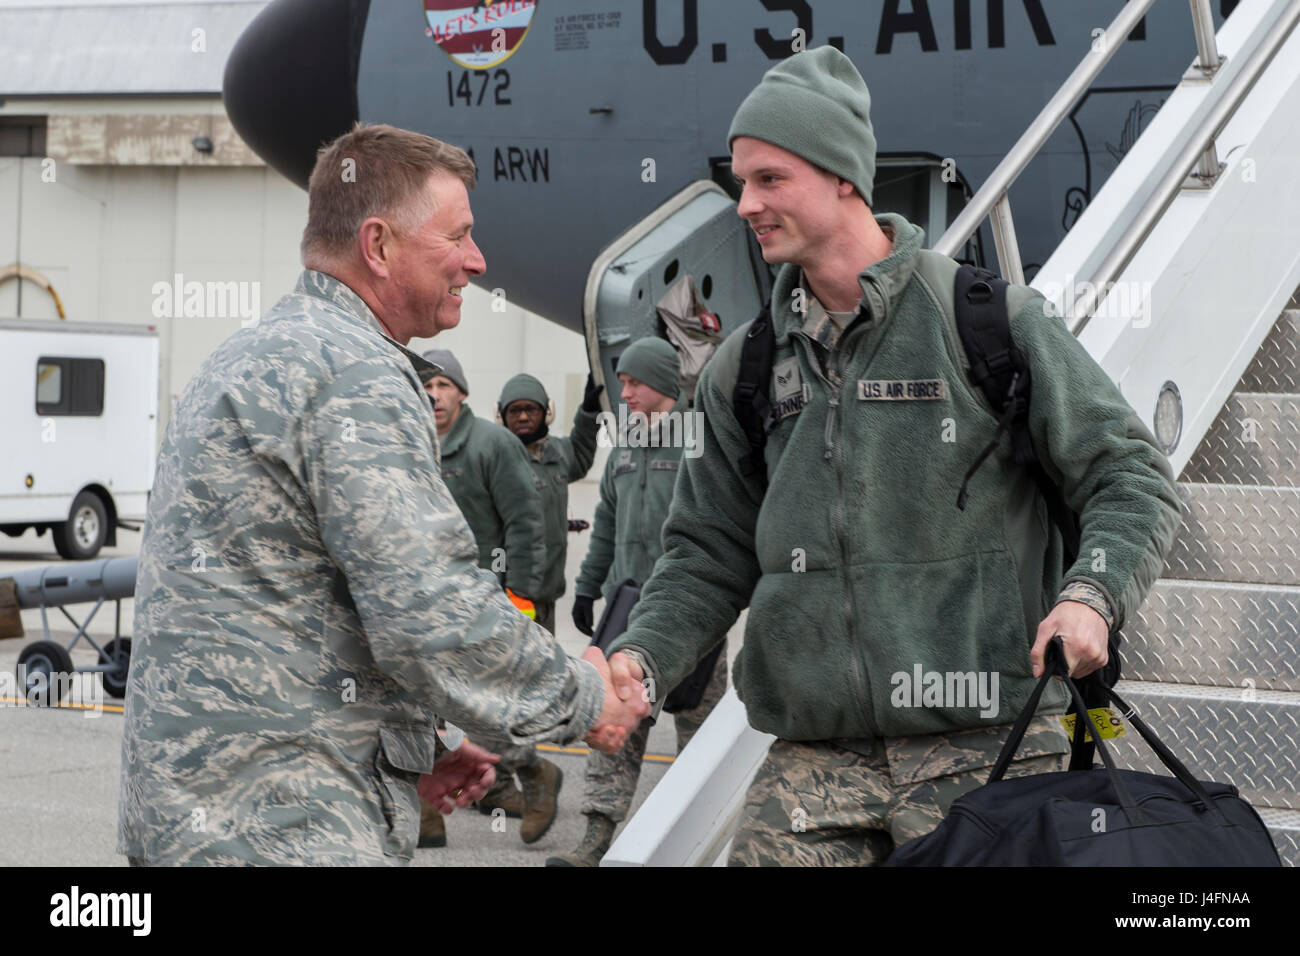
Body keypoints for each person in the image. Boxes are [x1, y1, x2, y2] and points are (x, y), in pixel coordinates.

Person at [602, 47, 1182, 865]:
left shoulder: (985, 323)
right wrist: (641, 656)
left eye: (769, 179)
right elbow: (705, 551)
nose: (746, 205)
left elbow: (1130, 476)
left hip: (988, 747)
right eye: (743, 182)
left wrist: (1091, 597)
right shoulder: (746, 365)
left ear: (843, 176)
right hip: (815, 761)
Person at [117, 123, 647, 866]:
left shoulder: (247, 354)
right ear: (379, 246)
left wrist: (418, 744)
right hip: (288, 825)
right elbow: (428, 608)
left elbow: (286, 598)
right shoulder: (356, 373)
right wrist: (587, 699)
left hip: (192, 812)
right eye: (457, 236)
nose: (477, 260)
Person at [546, 337, 728, 867]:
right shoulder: (624, 445)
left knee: (699, 729)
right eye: (620, 381)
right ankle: (595, 842)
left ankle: (696, 843)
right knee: (617, 724)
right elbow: (606, 521)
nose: (623, 391)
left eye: (634, 382)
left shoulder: (700, 439)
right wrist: (587, 586)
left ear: (665, 384)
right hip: (628, 606)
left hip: (694, 609)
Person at [415, 348, 558, 846]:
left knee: (486, 710)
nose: (433, 395)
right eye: (425, 385)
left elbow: (525, 521)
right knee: (417, 707)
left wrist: (521, 595)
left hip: (487, 603)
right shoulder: (407, 444)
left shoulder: (492, 444)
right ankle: (426, 816)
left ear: (462, 392)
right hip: (422, 604)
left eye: (443, 386)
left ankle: (536, 775)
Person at [496, 371, 603, 635]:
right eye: (515, 410)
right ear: (502, 416)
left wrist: (589, 411)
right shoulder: (493, 456)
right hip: (508, 596)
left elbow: (581, 451)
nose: (523, 416)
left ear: (547, 412)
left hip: (547, 594)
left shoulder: (558, 454)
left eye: (530, 409)